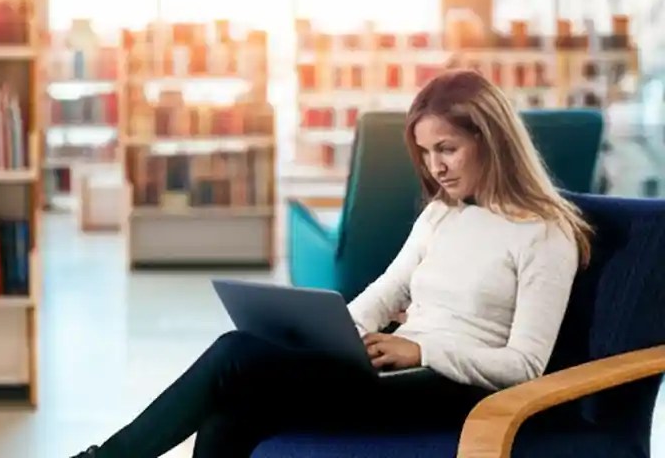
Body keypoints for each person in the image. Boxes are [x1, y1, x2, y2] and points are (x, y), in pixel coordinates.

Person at [67, 69, 592, 458]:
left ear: (490, 138)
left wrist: (420, 349)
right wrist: (336, 334)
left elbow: (525, 366)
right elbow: (387, 291)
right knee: (235, 403)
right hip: (393, 373)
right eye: (426, 152)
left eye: (447, 149)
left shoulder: (545, 234)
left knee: (235, 355)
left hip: (449, 390)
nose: (436, 167)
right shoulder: (443, 214)